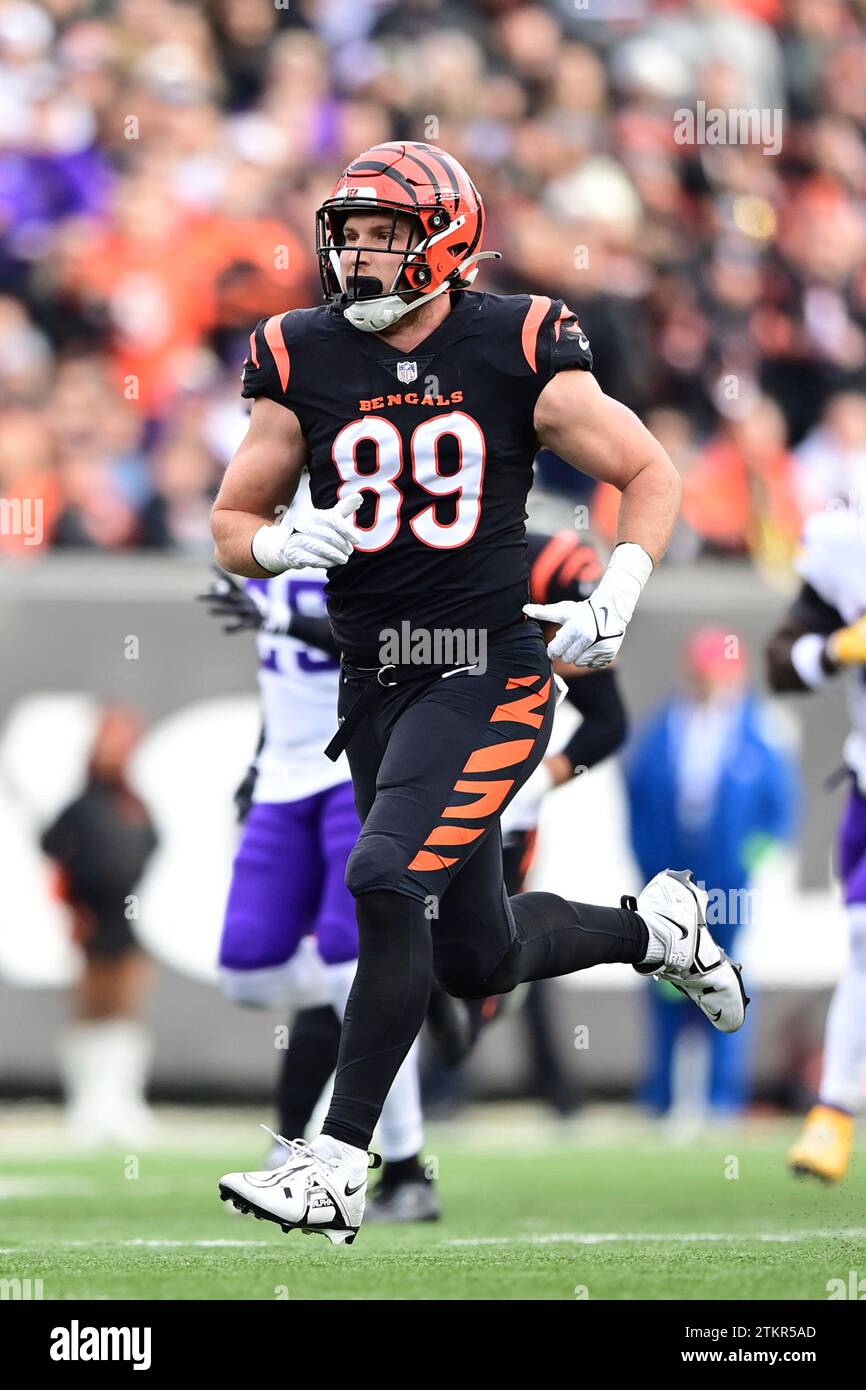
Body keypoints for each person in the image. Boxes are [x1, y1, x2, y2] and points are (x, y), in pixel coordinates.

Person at [211, 141, 749, 1244]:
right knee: (475, 954)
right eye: (347, 234)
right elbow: (229, 524)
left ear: (445, 240)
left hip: (488, 668)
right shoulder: (296, 352)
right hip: (376, 684)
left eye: (382, 235)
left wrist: (622, 585)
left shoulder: (514, 338)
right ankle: (652, 929)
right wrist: (275, 539)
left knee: (381, 875)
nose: (358, 257)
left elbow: (648, 471)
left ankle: (338, 1162)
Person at [199, 496, 440, 1221]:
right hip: (284, 775)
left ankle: (404, 1169)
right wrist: (256, 762)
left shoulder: (370, 504)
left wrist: (279, 617)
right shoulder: (259, 520)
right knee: (247, 972)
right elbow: (282, 682)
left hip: (353, 765)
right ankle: (396, 992)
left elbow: (399, 639)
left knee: (346, 961)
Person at [626, 628, 798, 1123]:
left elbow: (777, 806)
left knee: (728, 976)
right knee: (664, 974)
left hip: (729, 881)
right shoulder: (665, 728)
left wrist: (751, 857)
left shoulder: (757, 731)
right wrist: (649, 866)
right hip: (671, 879)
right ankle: (661, 1096)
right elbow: (638, 801)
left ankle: (723, 1097)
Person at [767, 504, 866, 1181]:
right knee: (865, 942)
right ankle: (832, 1113)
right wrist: (833, 650)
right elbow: (779, 661)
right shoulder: (847, 540)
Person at [40, 704, 157, 1145]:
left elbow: (149, 848)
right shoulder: (80, 807)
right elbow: (54, 856)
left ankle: (123, 1104)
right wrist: (73, 909)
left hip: (123, 918)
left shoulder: (133, 805)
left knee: (126, 1009)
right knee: (91, 1010)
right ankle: (87, 1106)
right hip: (91, 922)